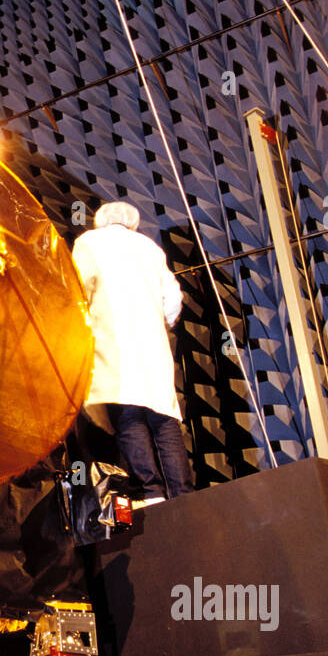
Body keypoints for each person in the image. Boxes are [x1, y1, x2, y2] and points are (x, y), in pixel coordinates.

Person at [72, 201, 194, 507]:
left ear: (101, 220)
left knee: (128, 417)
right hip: (153, 346)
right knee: (163, 418)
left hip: (114, 341)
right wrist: (160, 322)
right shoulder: (150, 248)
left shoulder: (89, 242)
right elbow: (174, 298)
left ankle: (151, 492)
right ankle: (183, 493)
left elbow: (78, 288)